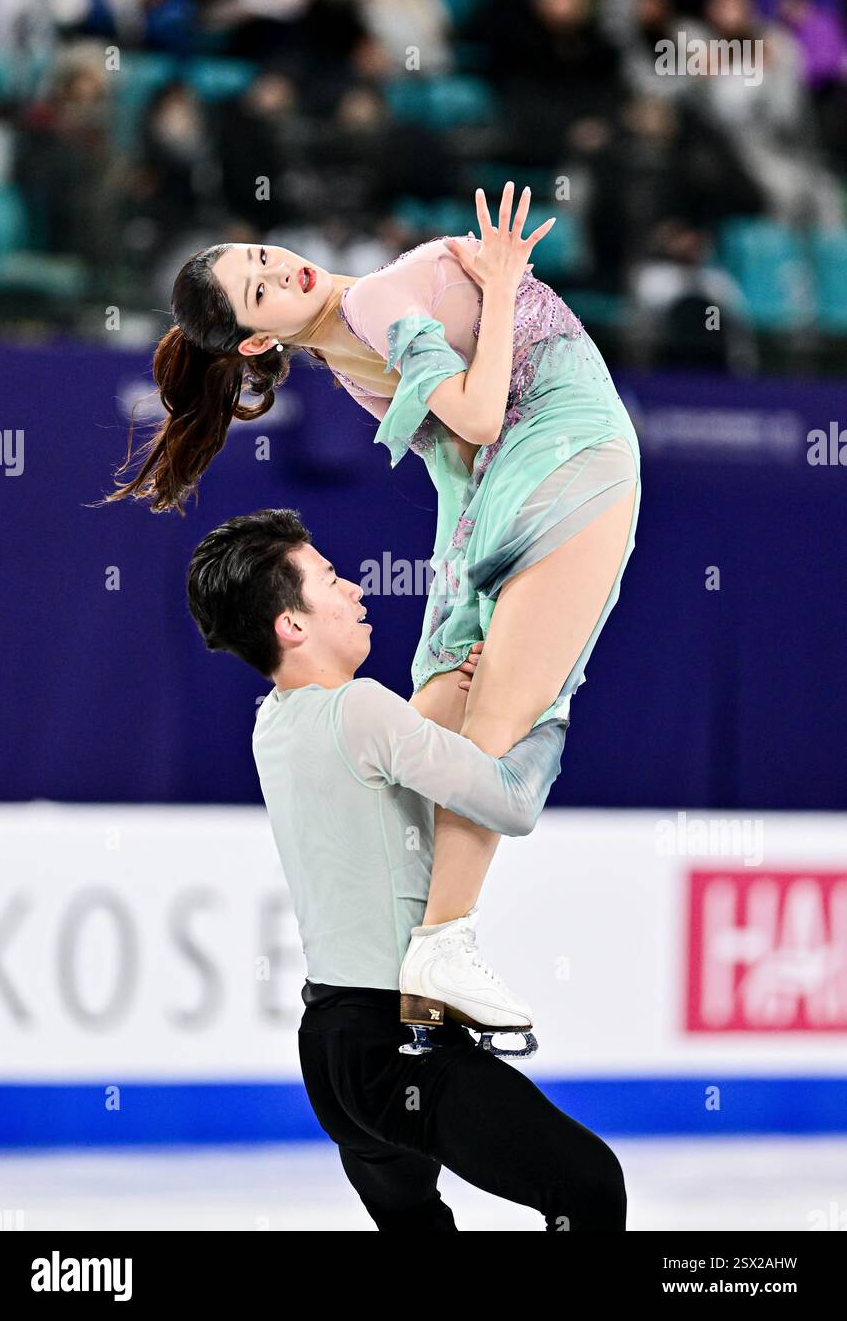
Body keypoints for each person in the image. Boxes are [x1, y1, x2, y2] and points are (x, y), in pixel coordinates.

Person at [107, 182, 641, 1045]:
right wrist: (504, 286)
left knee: (446, 713)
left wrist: (463, 582)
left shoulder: (356, 341)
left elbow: (470, 444)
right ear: (257, 337)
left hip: (506, 478)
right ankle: (440, 944)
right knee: (496, 722)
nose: (282, 267)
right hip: (576, 451)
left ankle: (386, 962)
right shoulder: (379, 301)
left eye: (263, 256)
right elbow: (474, 416)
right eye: (261, 286)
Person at [185, 506, 627, 1232]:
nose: (355, 589)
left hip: (332, 1051)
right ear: (291, 625)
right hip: (400, 1048)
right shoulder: (358, 710)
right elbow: (509, 804)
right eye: (329, 580)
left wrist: (459, 682)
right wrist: (550, 706)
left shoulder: (277, 721)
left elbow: (389, 755)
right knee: (589, 1186)